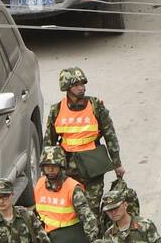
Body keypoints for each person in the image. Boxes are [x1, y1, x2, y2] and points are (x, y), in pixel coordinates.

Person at [45, 68, 125, 214]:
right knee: (70, 209)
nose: (81, 88)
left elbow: (110, 135)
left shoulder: (95, 106)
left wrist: (117, 164)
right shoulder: (57, 110)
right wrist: (46, 169)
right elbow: (49, 142)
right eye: (76, 85)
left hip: (92, 166)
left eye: (82, 84)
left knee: (92, 209)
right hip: (68, 168)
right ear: (67, 88)